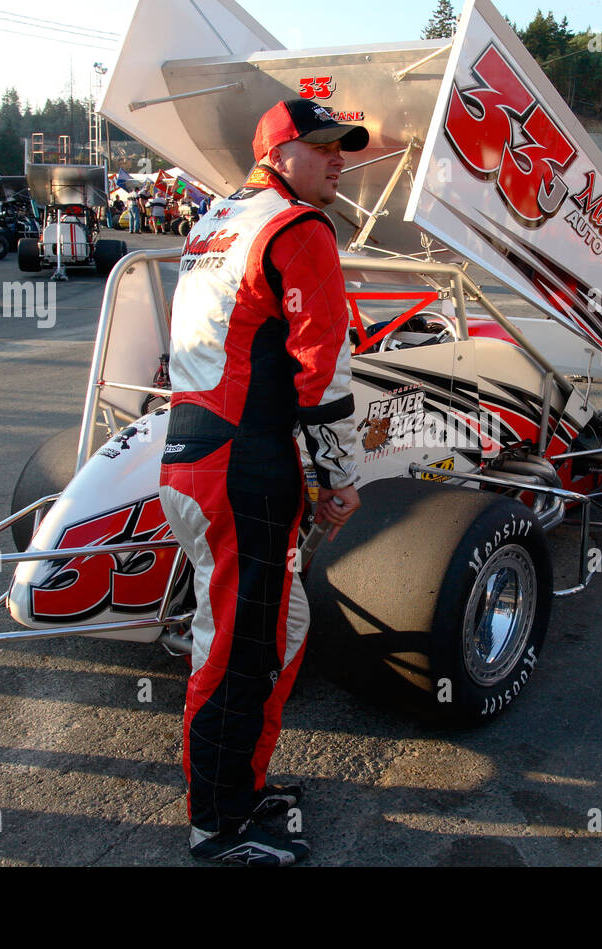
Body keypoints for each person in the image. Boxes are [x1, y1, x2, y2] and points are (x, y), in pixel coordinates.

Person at [158, 98, 368, 864]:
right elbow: (323, 374)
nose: (339, 161)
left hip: (194, 452)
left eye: (342, 149)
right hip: (241, 467)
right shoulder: (298, 227)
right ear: (280, 156)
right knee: (239, 650)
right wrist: (341, 479)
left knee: (283, 630)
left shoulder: (215, 219)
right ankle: (217, 825)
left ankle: (241, 787)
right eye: (323, 149)